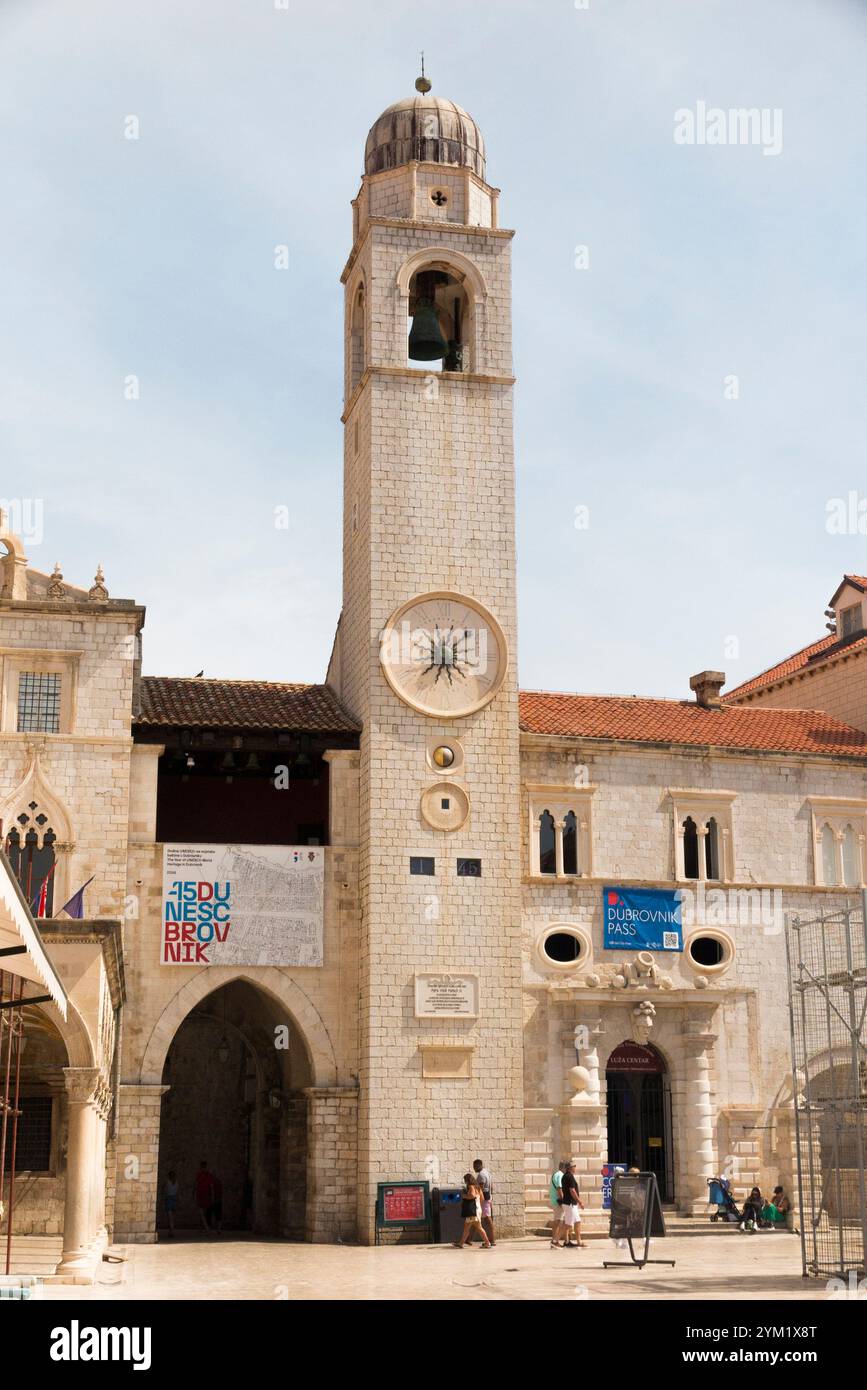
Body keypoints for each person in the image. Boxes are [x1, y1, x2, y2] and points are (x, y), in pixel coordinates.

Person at [453, 1173, 491, 1249]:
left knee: (476, 1228)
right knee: (470, 1227)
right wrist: (478, 1205)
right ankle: (461, 1243)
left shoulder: (471, 1186)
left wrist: (465, 1196)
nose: (465, 1182)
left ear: (468, 1180)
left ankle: (487, 1243)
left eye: (465, 1180)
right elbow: (482, 1199)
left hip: (473, 1210)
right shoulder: (478, 1187)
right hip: (477, 1209)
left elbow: (472, 1195)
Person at [555, 1161, 586, 1249]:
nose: (575, 1167)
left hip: (570, 1203)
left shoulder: (565, 1176)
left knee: (577, 1222)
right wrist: (580, 1202)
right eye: (574, 1166)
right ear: (570, 1168)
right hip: (570, 1203)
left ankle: (579, 1242)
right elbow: (572, 1191)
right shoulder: (569, 1176)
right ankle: (555, 1241)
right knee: (568, 1225)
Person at [472, 1158, 495, 1247]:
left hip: (484, 1199)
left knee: (487, 1219)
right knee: (478, 1219)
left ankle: (491, 1240)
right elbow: (491, 1186)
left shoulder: (481, 1175)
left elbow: (480, 1188)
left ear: (479, 1165)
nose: (474, 1168)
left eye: (475, 1166)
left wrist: (477, 1197)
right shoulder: (487, 1172)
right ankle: (468, 1239)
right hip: (488, 1198)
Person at [549, 1159, 567, 1247]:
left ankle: (555, 1240)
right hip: (558, 1201)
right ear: (563, 1167)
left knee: (557, 1220)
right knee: (558, 1221)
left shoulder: (556, 1174)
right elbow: (559, 1188)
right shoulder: (560, 1175)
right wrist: (563, 1200)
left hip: (555, 1200)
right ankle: (554, 1241)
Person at [194, 1159, 215, 1234]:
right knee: (202, 1212)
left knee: (203, 1213)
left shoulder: (207, 1175)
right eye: (203, 1167)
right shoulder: (201, 1175)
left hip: (205, 1195)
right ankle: (204, 1228)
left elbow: (211, 1187)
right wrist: (195, 1195)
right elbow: (196, 1186)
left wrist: (212, 1196)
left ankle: (206, 1229)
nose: (203, 1168)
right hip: (202, 1195)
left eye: (204, 1167)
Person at [163, 1170, 179, 1237]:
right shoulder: (177, 1182)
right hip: (174, 1198)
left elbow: (164, 1190)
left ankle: (171, 1231)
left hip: (169, 1198)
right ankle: (171, 1230)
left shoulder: (167, 1182)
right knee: (172, 1216)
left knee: (169, 1216)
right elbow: (177, 1192)